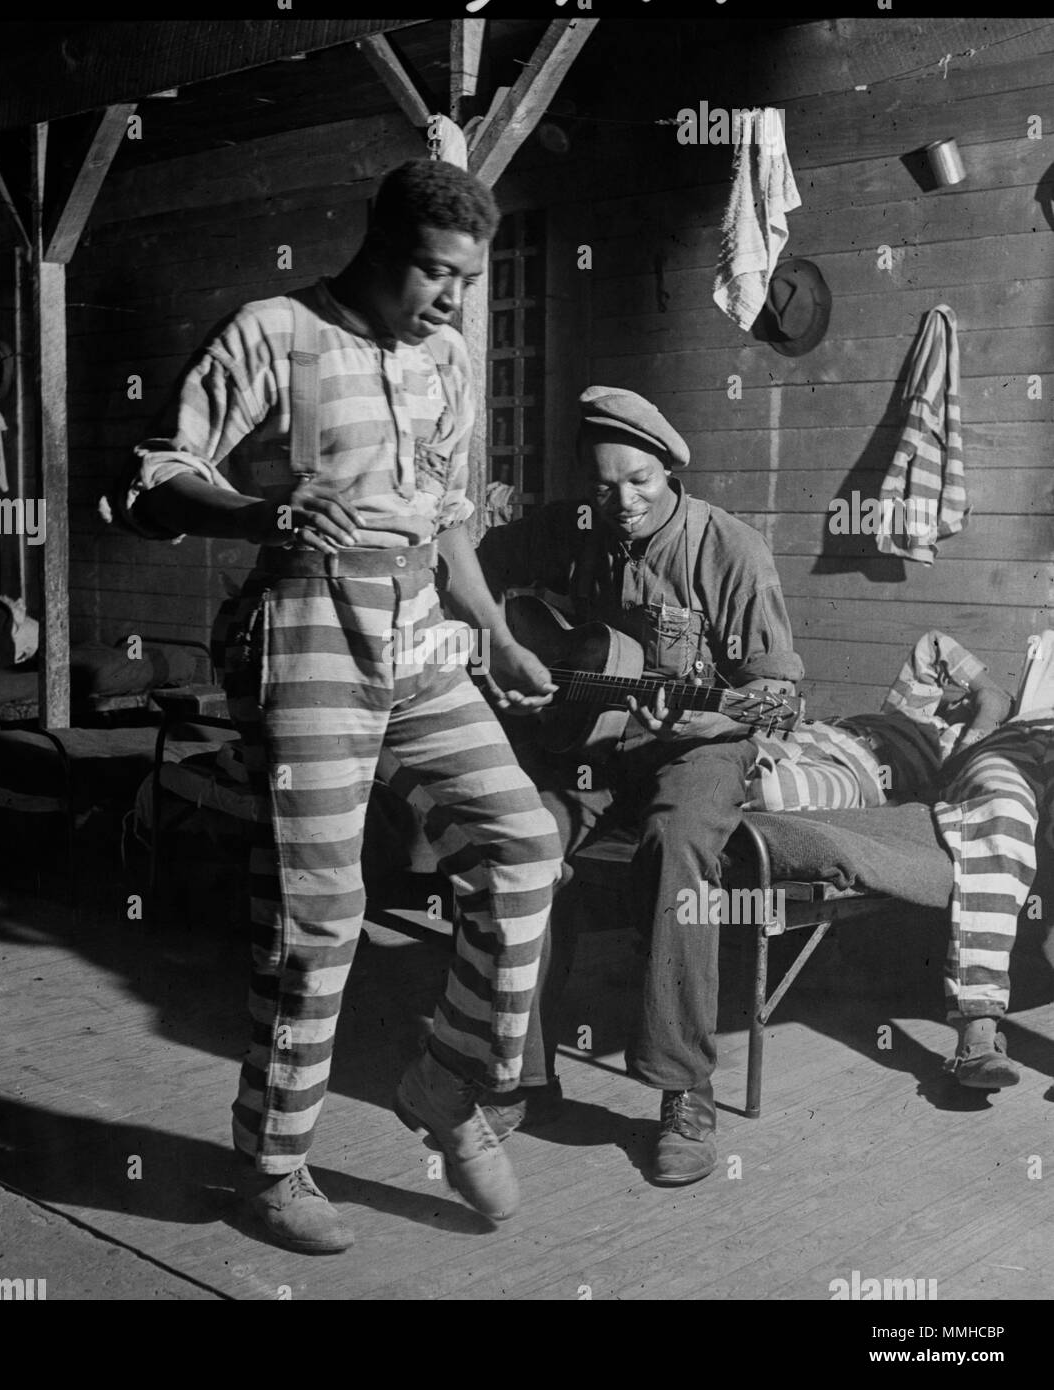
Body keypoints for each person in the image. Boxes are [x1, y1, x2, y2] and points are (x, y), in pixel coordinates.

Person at [111, 160, 564, 1254]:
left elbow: (447, 515)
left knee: (522, 840)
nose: (453, 298)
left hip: (421, 633)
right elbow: (153, 479)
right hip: (305, 629)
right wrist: (257, 510)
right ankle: (272, 1164)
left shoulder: (449, 355)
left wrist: (495, 633)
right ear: (380, 242)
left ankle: (446, 1085)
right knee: (318, 911)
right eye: (436, 273)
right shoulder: (274, 332)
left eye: (467, 277)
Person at [468, 387, 804, 1185]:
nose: (620, 502)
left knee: (676, 847)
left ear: (669, 475)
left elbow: (780, 698)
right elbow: (472, 570)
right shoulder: (573, 529)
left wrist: (708, 723)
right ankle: (521, 1071)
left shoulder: (730, 550)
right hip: (590, 744)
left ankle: (684, 1089)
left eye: (639, 483)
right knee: (522, 841)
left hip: (699, 744)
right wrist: (502, 653)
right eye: (603, 485)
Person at [747, 629, 1052, 1091]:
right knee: (742, 758)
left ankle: (981, 1030)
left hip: (852, 775)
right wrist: (988, 704)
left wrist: (970, 736)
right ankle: (979, 1032)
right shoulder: (915, 715)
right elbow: (932, 646)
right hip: (827, 735)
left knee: (766, 787)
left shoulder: (946, 753)